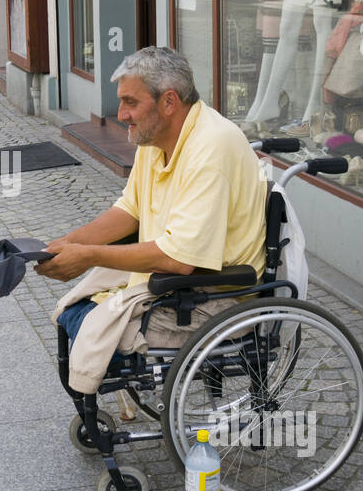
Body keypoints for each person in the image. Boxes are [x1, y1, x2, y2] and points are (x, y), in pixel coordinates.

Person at [37, 46, 268, 396]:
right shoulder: (155, 139)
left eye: (131, 102)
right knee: (78, 308)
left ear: (169, 102)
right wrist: (70, 243)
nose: (121, 114)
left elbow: (178, 259)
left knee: (94, 323)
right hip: (174, 280)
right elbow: (129, 211)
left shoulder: (211, 147)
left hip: (217, 295)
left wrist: (88, 256)